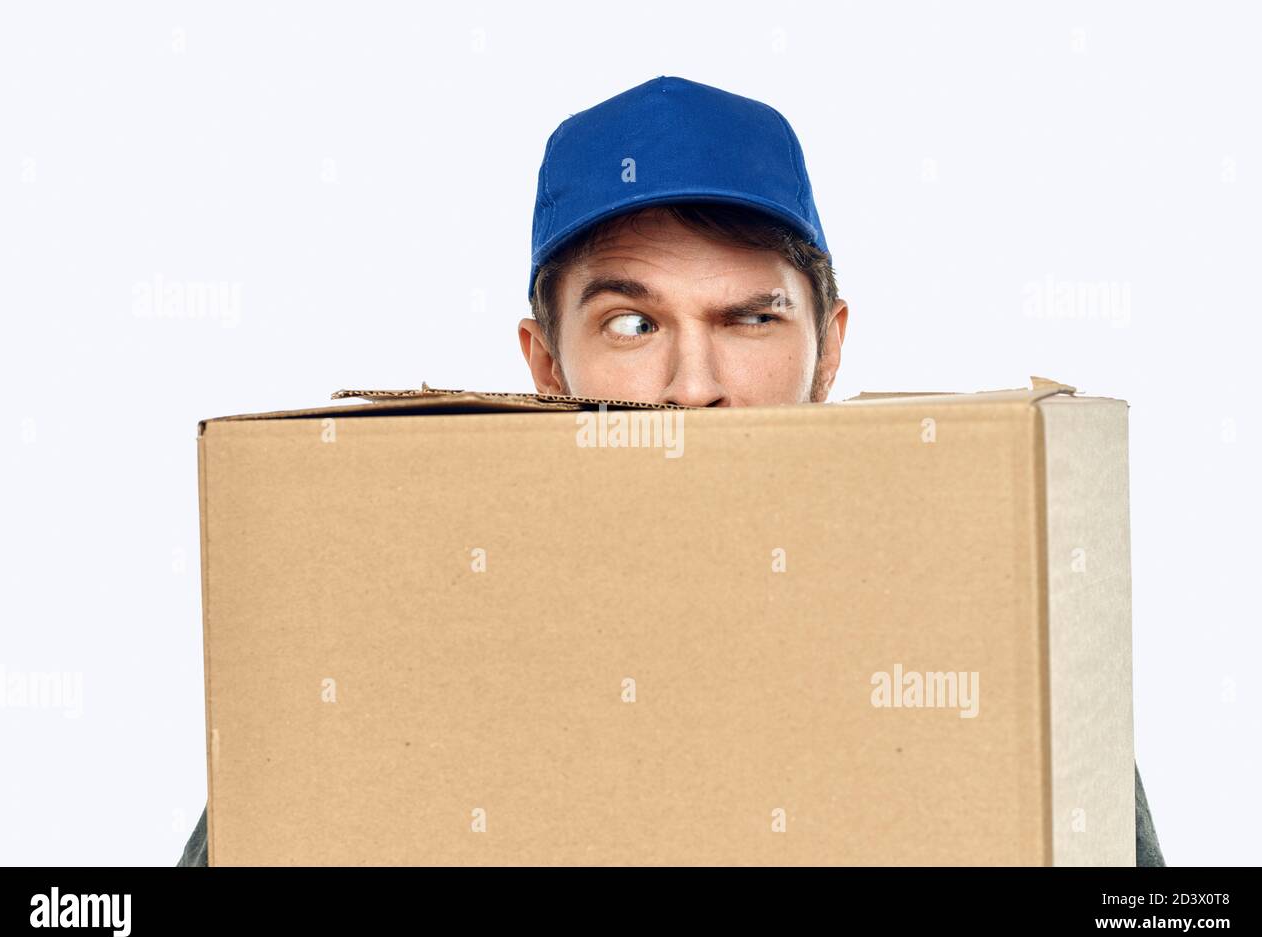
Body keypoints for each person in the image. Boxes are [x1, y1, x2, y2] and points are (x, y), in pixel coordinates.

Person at [178, 75, 1164, 867]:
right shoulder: (404, 662)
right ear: (543, 363)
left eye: (750, 318)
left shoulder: (971, 655)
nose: (693, 387)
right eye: (632, 323)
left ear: (829, 351)